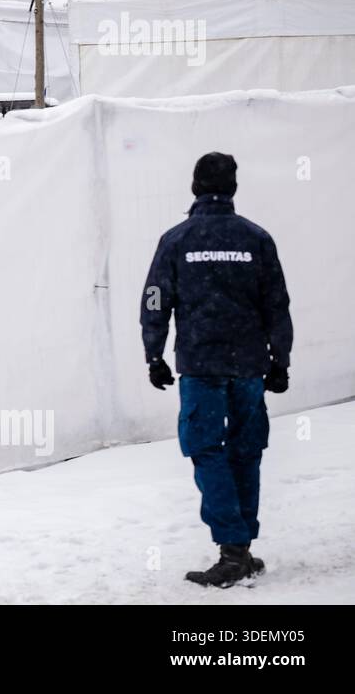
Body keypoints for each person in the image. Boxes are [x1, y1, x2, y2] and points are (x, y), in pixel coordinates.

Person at [140, 152, 292, 588]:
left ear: (194, 187)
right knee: (246, 452)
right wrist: (280, 361)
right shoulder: (256, 238)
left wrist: (154, 355)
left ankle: (232, 549)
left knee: (206, 450)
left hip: (201, 366)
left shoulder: (176, 239)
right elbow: (277, 305)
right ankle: (240, 547)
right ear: (234, 189)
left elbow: (154, 300)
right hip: (248, 367)